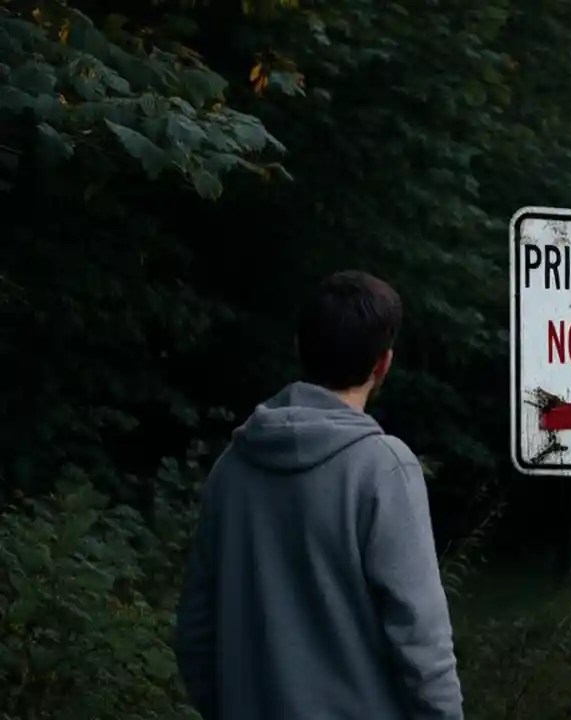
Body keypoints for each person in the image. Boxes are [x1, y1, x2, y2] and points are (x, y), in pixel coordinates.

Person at [175, 270, 464, 719]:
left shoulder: (232, 468)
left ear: (299, 347)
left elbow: (196, 634)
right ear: (382, 364)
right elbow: (421, 639)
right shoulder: (384, 468)